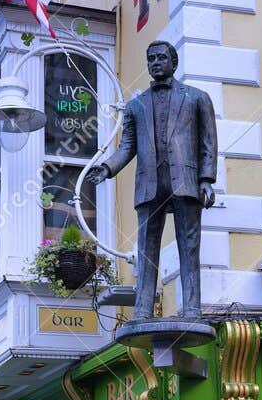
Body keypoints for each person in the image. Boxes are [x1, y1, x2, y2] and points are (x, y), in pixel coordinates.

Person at [92, 39, 217, 321]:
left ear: (173, 62)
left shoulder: (197, 98)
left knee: (189, 247)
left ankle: (192, 308)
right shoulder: (135, 106)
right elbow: (127, 146)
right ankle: (142, 309)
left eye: (161, 57)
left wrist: (207, 179)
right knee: (147, 249)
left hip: (185, 179)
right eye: (151, 59)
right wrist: (108, 168)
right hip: (149, 183)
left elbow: (208, 142)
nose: (155, 63)